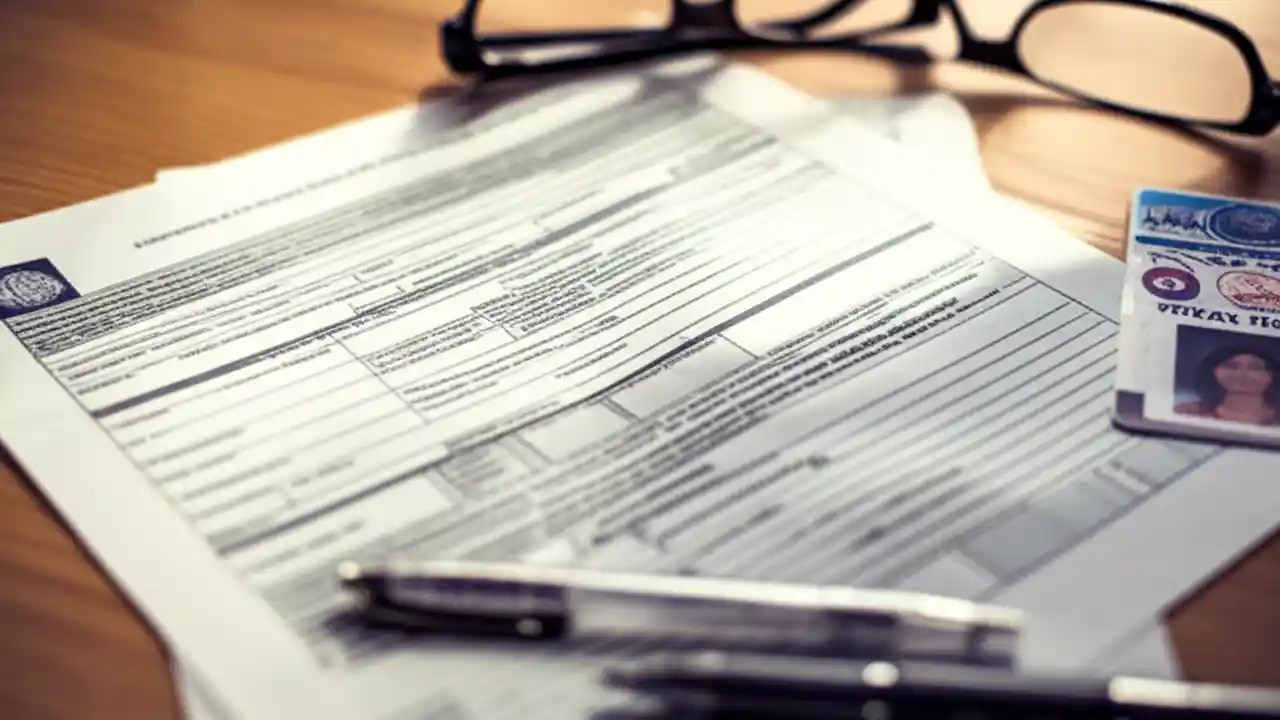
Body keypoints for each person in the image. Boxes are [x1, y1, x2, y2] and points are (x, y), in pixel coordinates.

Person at [1175, 345, 1279, 426]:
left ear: (1270, 376)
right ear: (1215, 371)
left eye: (1255, 368)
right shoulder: (1188, 412)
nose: (1242, 374)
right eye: (1232, 366)